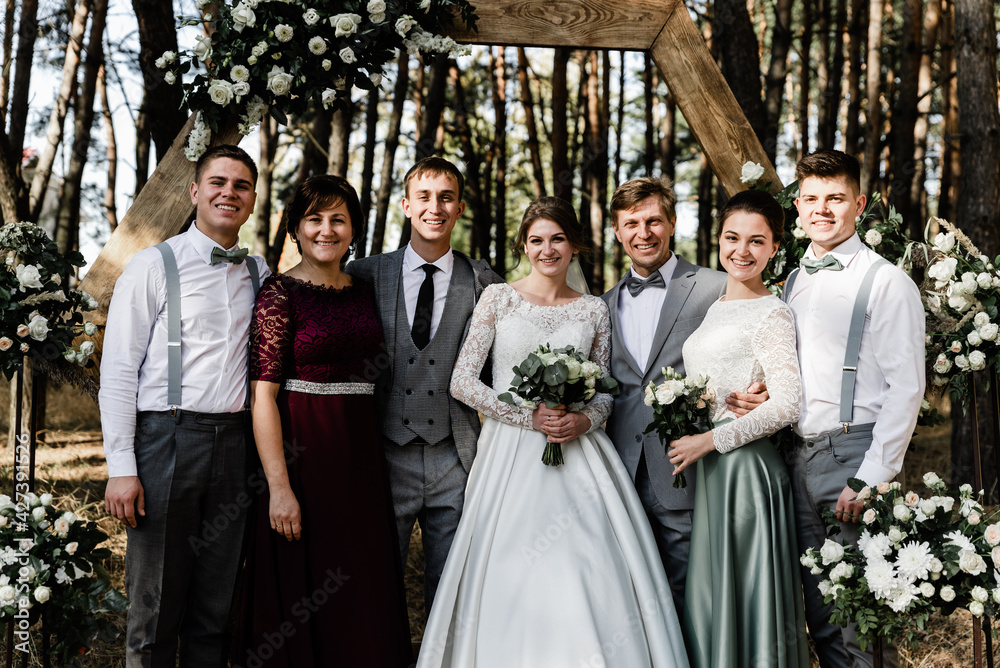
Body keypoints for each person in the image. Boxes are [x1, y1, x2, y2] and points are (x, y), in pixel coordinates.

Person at [418, 197, 689, 668]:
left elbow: (607, 392)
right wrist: (529, 418)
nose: (548, 249)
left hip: (581, 452)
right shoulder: (498, 298)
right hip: (510, 455)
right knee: (510, 568)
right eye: (537, 240)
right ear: (524, 245)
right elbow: (462, 381)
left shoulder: (593, 310)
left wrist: (582, 420)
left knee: (588, 564)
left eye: (558, 238)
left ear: (575, 246)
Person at [737, 150, 924, 668]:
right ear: (797, 206)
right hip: (795, 457)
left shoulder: (886, 282)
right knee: (820, 615)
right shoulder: (796, 280)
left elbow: (906, 389)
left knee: (862, 616)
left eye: (835, 199)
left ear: (858, 204)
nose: (822, 210)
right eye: (812, 199)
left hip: (852, 456)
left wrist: (870, 477)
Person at [100, 145, 269, 667]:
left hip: (237, 446)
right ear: (195, 192)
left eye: (241, 186)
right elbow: (118, 372)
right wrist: (121, 467)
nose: (229, 193)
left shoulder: (259, 273)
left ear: (253, 200)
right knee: (153, 607)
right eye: (218, 182)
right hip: (166, 441)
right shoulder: (153, 266)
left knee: (215, 609)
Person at [233, 175, 411, 667]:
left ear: (354, 229)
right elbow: (262, 398)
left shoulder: (365, 289)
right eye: (314, 219)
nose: (326, 229)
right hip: (302, 461)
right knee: (302, 589)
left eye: (338, 219)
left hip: (361, 465)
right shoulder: (279, 294)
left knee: (361, 587)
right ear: (296, 228)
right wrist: (279, 487)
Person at [344, 156, 502, 612]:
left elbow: (499, 369)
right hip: (384, 452)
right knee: (376, 579)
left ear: (460, 208)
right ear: (406, 206)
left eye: (447, 197)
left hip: (456, 455)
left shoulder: (484, 282)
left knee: (452, 586)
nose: (436, 206)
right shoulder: (365, 276)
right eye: (425, 197)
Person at [666, 190, 809, 667]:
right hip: (713, 474)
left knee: (745, 594)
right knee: (714, 594)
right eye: (732, 237)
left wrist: (710, 439)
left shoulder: (772, 312)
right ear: (719, 239)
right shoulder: (716, 306)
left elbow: (788, 403)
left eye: (756, 241)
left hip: (745, 470)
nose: (741, 251)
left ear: (774, 248)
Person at [602, 176, 728, 613]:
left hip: (687, 468)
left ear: (672, 223)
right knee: (630, 596)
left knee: (691, 594)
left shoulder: (716, 286)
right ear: (617, 232)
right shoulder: (602, 304)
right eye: (631, 223)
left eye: (654, 221)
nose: (644, 233)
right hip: (619, 471)